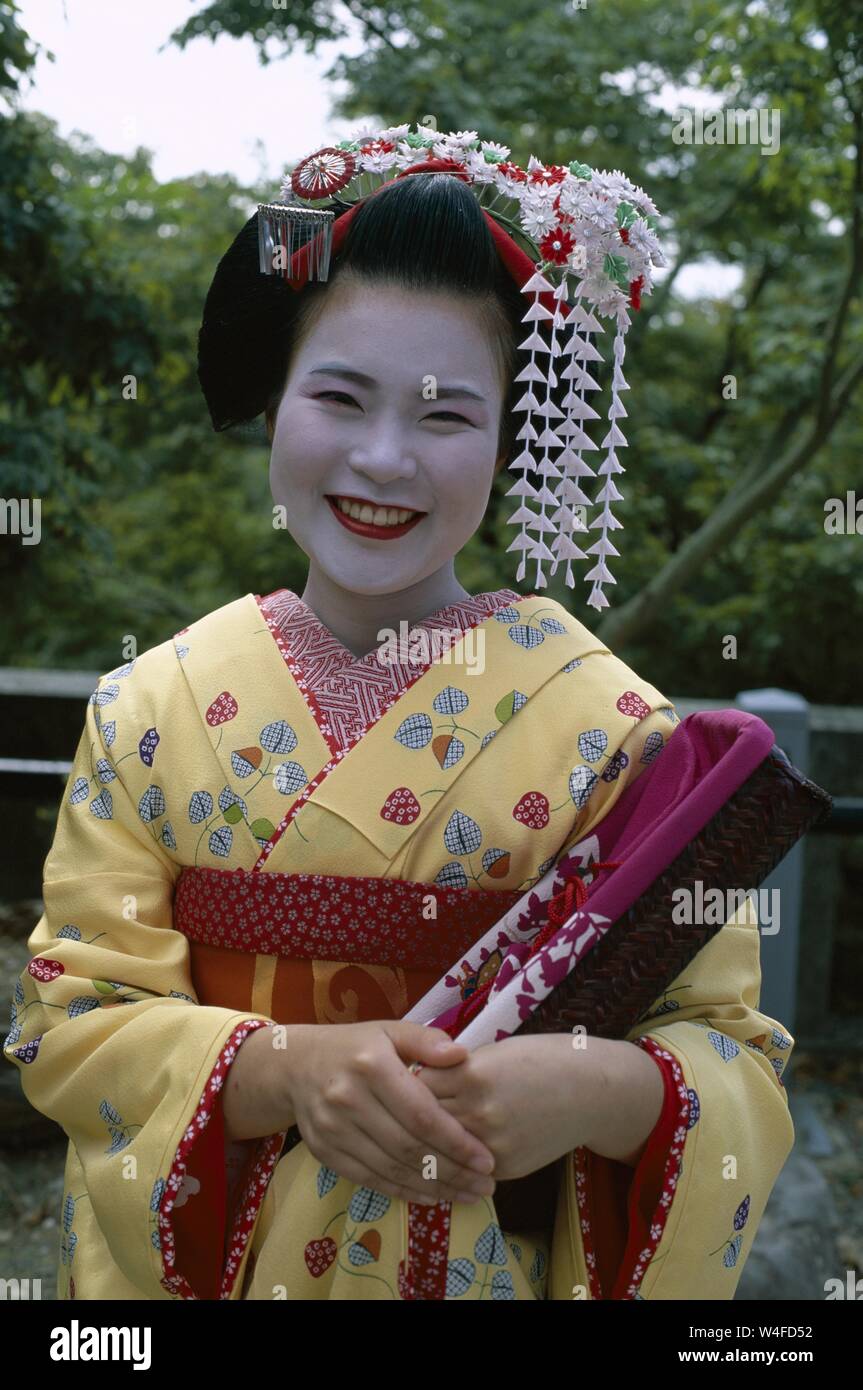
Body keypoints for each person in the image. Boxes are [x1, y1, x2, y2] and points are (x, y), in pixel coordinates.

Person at [4, 129, 795, 1301]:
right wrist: (276, 1070)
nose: (382, 458)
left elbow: (728, 1053)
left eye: (444, 417)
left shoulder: (617, 735)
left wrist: (596, 1089)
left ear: (510, 437)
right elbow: (72, 1019)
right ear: (275, 400)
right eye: (337, 395)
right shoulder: (150, 708)